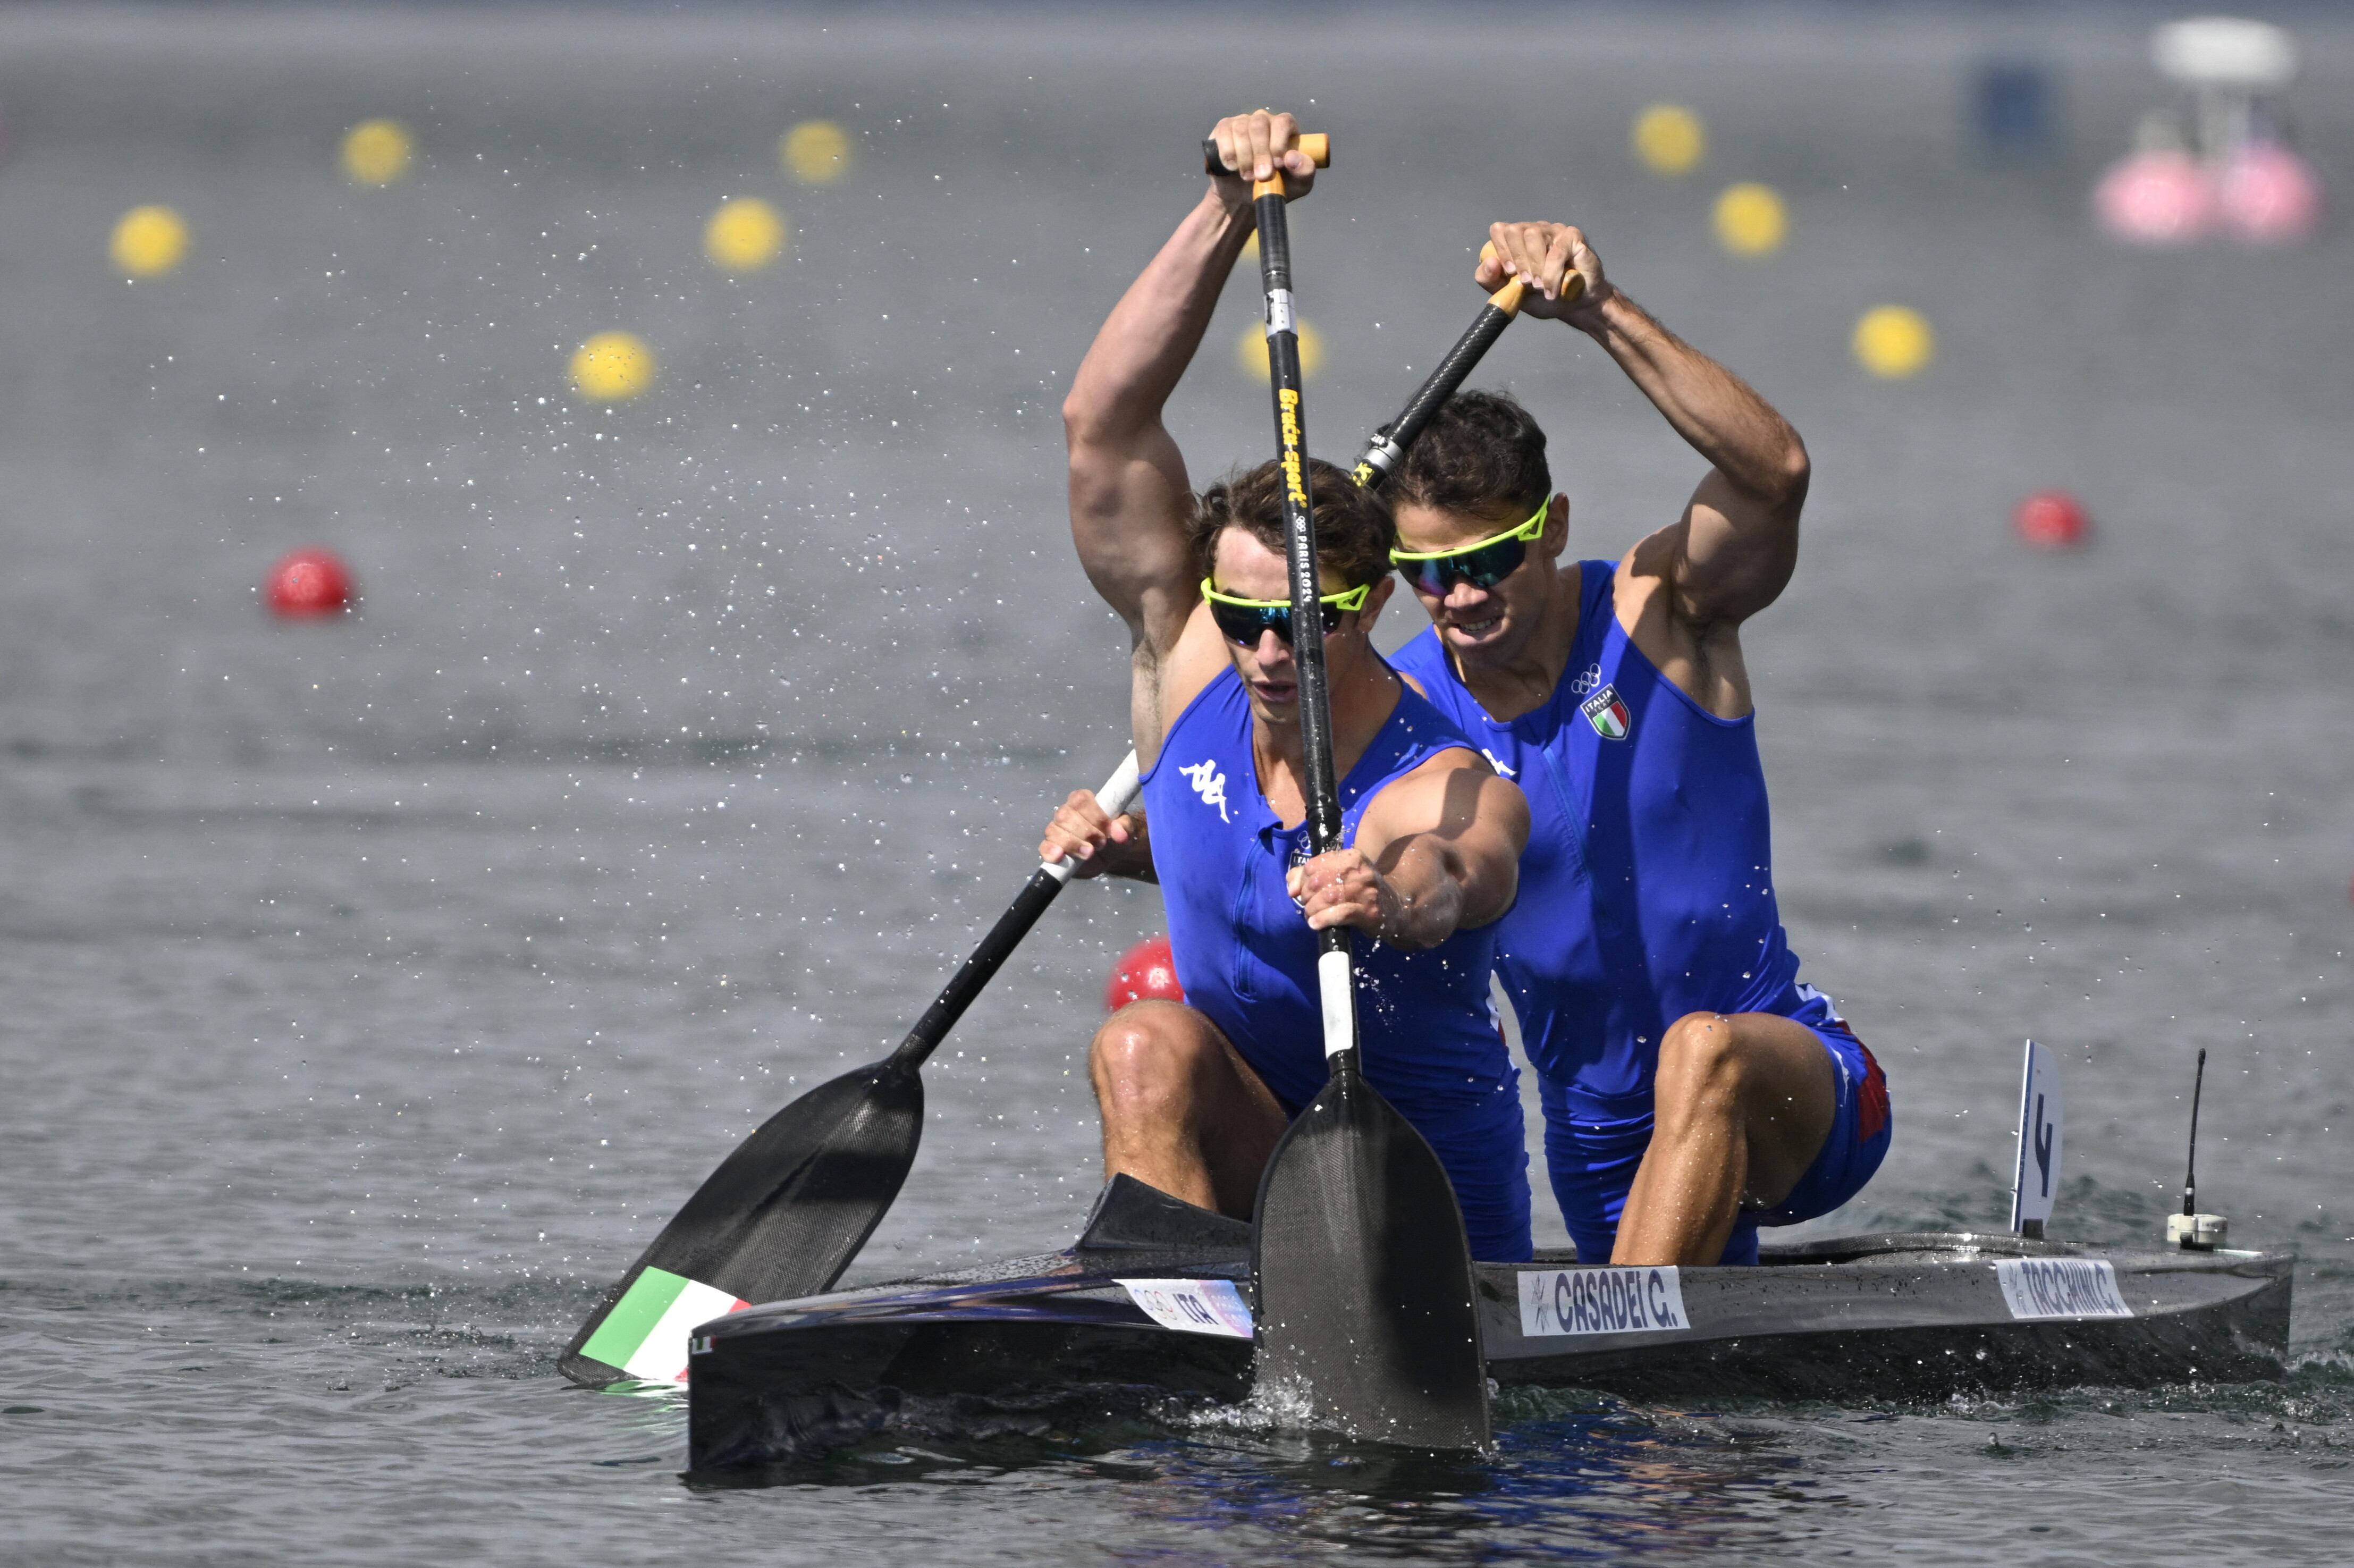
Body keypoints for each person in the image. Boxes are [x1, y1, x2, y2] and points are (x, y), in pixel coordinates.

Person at [1038, 111, 1537, 1261]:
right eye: (1247, 621)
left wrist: (1392, 900)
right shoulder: (1199, 662)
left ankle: (1183, 1315)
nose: (1268, 655)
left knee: (1158, 1035)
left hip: (1420, 1213)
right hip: (1258, 1155)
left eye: (1304, 625)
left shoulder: (1443, 782)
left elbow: (1456, 871)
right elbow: (1102, 425)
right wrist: (1224, 206)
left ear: (1368, 605)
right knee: (1140, 1042)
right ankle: (1158, 1320)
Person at [1377, 221, 1892, 1268]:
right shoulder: (1401, 708)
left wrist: (1598, 312)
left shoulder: (1663, 610)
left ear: (1553, 527)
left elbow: (1774, 474)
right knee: (1660, 1434)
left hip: (1790, 1085)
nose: (1460, 596)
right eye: (1428, 572)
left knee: (1701, 1051)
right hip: (1603, 1142)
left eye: (1489, 559)